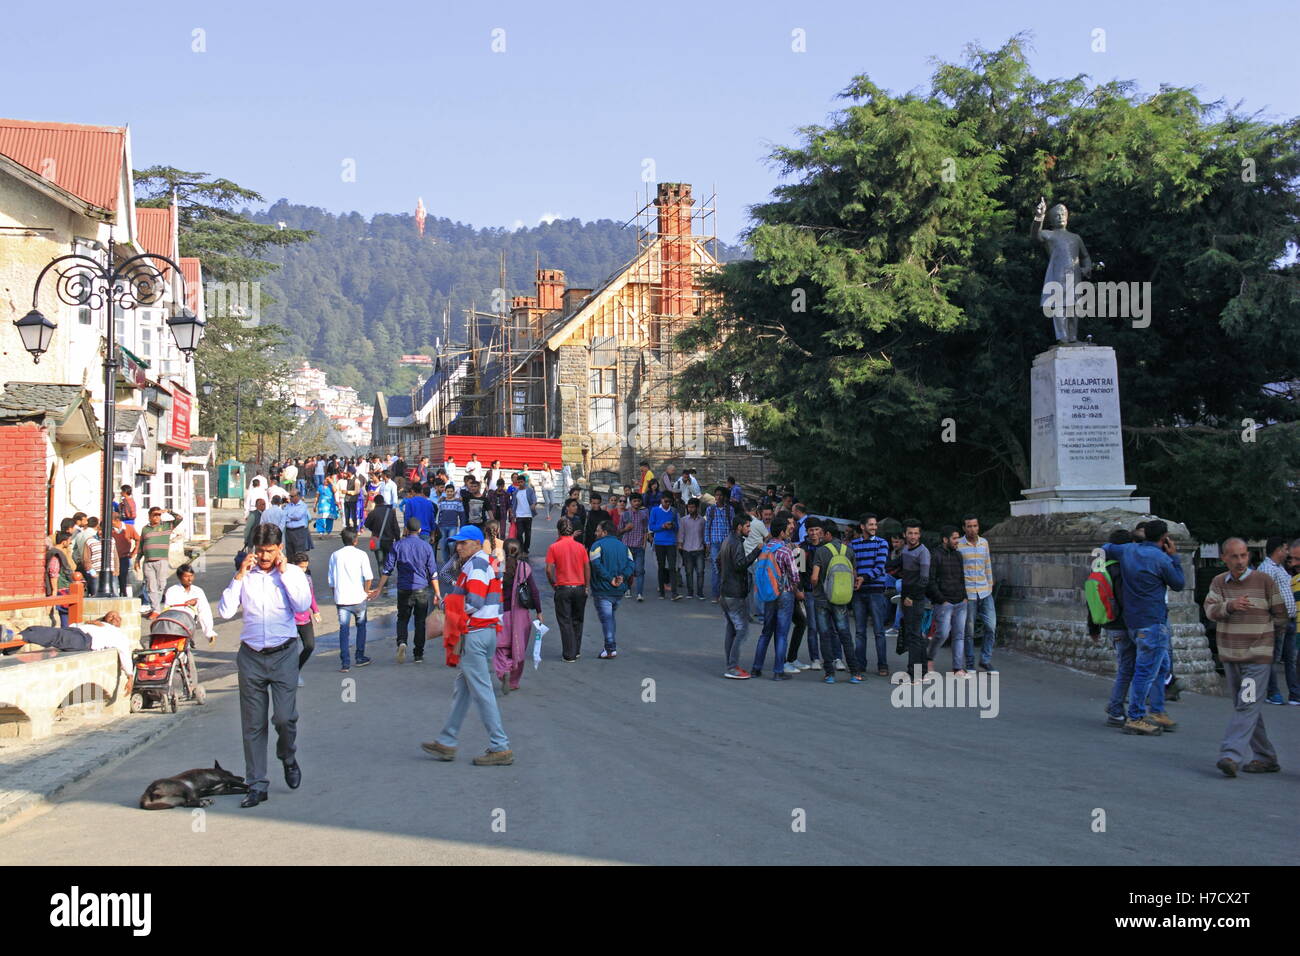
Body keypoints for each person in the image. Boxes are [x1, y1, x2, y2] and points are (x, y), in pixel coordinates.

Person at [216, 523, 313, 808]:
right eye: (260, 551)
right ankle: (257, 784)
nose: (264, 556)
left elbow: (303, 605)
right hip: (251, 656)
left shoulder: (292, 573)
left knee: (284, 718)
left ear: (280, 549)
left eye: (269, 551)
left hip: (283, 655)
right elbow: (225, 611)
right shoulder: (246, 575)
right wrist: (238, 575)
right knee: (253, 725)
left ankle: (288, 755)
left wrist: (284, 574)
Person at [422, 525, 513, 766]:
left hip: (476, 633)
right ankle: (446, 741)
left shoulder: (477, 565)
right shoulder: (485, 563)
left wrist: (446, 606)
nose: (458, 547)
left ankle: (500, 746)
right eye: (457, 543)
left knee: (482, 692)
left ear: (475, 543)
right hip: (483, 632)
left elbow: (474, 601)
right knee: (463, 691)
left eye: (463, 543)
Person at [1205, 537, 1289, 775]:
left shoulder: (1264, 580)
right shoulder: (1219, 582)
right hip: (1231, 655)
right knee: (1246, 707)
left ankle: (1230, 755)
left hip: (1257, 657)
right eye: (1234, 556)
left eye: (1243, 555)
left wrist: (1267, 639)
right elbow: (1210, 610)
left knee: (1247, 705)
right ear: (1224, 558)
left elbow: (1281, 614)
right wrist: (1229, 606)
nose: (1240, 561)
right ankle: (1265, 756)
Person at [1101, 519, 1184, 736]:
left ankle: (1156, 710)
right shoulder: (1161, 559)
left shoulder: (1128, 551)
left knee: (1159, 666)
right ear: (1164, 538)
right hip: (1153, 620)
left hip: (1132, 620)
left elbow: (1105, 548)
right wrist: (1174, 556)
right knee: (1147, 670)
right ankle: (1136, 716)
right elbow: (1178, 583)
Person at [371, 517, 441, 664]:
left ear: (406, 530)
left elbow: (387, 569)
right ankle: (418, 654)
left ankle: (402, 642)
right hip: (421, 588)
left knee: (402, 618)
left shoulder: (398, 545)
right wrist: (437, 593)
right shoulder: (426, 546)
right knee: (420, 621)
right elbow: (433, 572)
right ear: (420, 530)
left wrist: (379, 587)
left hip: (403, 589)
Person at [810, 522, 862, 683]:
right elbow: (854, 575)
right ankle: (855, 673)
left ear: (827, 535)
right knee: (845, 634)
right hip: (841, 599)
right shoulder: (849, 551)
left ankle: (829, 674)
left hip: (822, 599)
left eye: (822, 533)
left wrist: (815, 588)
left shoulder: (821, 551)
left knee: (825, 635)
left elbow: (814, 577)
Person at [751, 515, 800, 680]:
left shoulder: (765, 549)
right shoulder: (785, 550)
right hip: (785, 594)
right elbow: (795, 576)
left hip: (768, 593)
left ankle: (756, 668)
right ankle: (778, 671)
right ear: (781, 531)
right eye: (787, 529)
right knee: (781, 634)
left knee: (766, 632)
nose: (789, 531)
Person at [496, 537, 542, 693]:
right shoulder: (524, 568)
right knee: (518, 648)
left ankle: (503, 671)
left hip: (503, 613)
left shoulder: (499, 567)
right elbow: (534, 591)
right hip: (521, 615)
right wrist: (539, 612)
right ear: (520, 552)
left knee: (501, 647)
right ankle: (514, 681)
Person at [719, 513, 762, 679]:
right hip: (734, 593)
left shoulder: (727, 540)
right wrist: (756, 552)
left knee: (731, 629)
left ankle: (731, 663)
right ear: (739, 527)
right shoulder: (736, 543)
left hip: (726, 591)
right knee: (742, 629)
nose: (749, 530)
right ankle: (732, 667)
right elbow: (739, 565)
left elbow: (718, 561)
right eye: (747, 526)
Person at [329, 527, 375, 674]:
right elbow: (368, 577)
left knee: (344, 630)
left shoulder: (335, 555)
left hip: (342, 598)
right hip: (358, 598)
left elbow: (331, 581)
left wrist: (335, 595)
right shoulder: (361, 555)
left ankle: (345, 663)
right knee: (361, 626)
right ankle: (360, 656)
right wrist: (366, 591)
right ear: (355, 540)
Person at [890, 519, 931, 683]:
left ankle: (914, 674)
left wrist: (910, 597)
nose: (913, 536)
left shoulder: (923, 552)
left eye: (916, 533)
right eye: (910, 533)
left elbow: (924, 580)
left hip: (915, 599)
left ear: (919, 534)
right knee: (916, 635)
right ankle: (923, 672)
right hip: (907, 597)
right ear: (905, 535)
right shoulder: (906, 549)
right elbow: (895, 564)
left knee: (913, 636)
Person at [850, 514, 891, 676]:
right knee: (860, 631)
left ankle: (883, 664)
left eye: (875, 525)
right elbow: (852, 565)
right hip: (858, 592)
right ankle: (860, 664)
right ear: (862, 526)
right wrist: (855, 578)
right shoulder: (854, 545)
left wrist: (863, 578)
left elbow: (880, 566)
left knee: (879, 631)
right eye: (871, 524)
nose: (874, 527)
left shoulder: (882, 543)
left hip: (876, 591)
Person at [1259, 535, 1298, 705]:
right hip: (1277, 620)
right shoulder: (1267, 569)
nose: (1287, 552)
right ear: (1277, 550)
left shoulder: (1280, 569)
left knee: (1290, 659)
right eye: (1285, 548)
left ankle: (1295, 694)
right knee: (1273, 658)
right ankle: (1273, 692)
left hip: (1290, 619)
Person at [926, 525, 969, 678]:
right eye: (955, 538)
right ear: (945, 539)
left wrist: (964, 596)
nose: (958, 541)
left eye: (958, 537)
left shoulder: (958, 555)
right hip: (944, 602)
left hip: (961, 602)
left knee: (959, 635)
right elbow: (930, 580)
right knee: (942, 634)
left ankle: (957, 668)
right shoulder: (935, 555)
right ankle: (929, 658)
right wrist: (941, 599)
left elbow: (962, 577)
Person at [957, 514, 998, 673]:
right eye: (969, 526)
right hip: (968, 593)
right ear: (964, 528)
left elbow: (987, 563)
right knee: (969, 630)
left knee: (991, 626)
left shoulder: (984, 543)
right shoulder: (959, 545)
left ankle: (985, 660)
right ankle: (969, 662)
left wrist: (990, 583)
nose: (972, 529)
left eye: (975, 526)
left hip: (985, 591)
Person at [546, 518, 590, 662]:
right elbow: (586, 568)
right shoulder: (581, 547)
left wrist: (554, 583)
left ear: (558, 531)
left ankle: (569, 653)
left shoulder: (554, 547)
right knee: (578, 619)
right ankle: (576, 650)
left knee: (565, 621)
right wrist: (587, 586)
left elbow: (549, 569)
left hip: (563, 587)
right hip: (579, 586)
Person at [589, 520, 635, 659]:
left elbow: (595, 564)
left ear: (604, 532)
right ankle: (609, 646)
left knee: (607, 619)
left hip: (603, 589)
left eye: (597, 530)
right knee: (610, 618)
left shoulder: (596, 546)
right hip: (619, 590)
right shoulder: (624, 547)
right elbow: (631, 565)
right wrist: (622, 577)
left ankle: (610, 648)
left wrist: (610, 579)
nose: (595, 533)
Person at [136, 507, 183, 612]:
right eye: (154, 515)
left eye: (158, 515)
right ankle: (155, 610)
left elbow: (179, 518)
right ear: (149, 516)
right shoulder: (145, 529)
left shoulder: (166, 526)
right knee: (150, 586)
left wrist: (169, 511)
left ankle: (155, 608)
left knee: (161, 584)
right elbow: (141, 545)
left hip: (161, 560)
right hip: (148, 562)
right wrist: (137, 559)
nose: (157, 517)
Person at [163, 563, 218, 644]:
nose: (189, 579)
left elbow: (205, 611)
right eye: (186, 576)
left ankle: (209, 631)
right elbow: (169, 609)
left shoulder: (198, 591)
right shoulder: (172, 591)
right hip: (174, 625)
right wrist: (186, 604)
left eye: (191, 576)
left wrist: (208, 632)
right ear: (179, 577)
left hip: (189, 625)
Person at [289, 552, 322, 682]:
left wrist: (316, 611)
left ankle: (295, 670)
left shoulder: (307, 578)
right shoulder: (286, 578)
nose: (303, 570)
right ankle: (289, 675)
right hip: (290, 618)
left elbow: (311, 595)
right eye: (301, 567)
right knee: (290, 650)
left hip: (304, 618)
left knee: (309, 646)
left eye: (305, 567)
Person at [649, 490, 681, 600]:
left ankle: (674, 593)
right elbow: (652, 527)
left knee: (672, 567)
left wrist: (672, 525)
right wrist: (662, 526)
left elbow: (678, 527)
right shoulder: (655, 510)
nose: (667, 504)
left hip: (671, 542)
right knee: (661, 567)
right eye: (665, 501)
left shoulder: (674, 511)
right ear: (661, 500)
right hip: (659, 542)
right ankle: (662, 592)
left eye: (669, 502)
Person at [618, 492, 650, 602]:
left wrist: (644, 543)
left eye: (638, 501)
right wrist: (626, 529)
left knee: (640, 570)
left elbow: (646, 529)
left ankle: (640, 593)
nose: (636, 503)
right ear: (630, 502)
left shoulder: (644, 514)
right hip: (627, 546)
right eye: (634, 501)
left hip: (639, 546)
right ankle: (627, 588)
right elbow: (619, 531)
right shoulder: (625, 515)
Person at [704, 490, 733, 602]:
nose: (719, 497)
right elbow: (707, 526)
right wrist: (707, 542)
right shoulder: (710, 509)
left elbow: (732, 526)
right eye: (717, 495)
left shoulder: (729, 509)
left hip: (726, 542)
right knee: (716, 569)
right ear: (715, 497)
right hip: (714, 542)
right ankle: (715, 595)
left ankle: (724, 594)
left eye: (721, 495)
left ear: (724, 497)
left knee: (726, 569)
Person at [365, 492, 400, 582]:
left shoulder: (373, 513)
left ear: (375, 502)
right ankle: (387, 577)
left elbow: (366, 524)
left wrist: (373, 529)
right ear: (383, 501)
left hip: (377, 540)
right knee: (388, 561)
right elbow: (395, 527)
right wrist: (398, 539)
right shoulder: (391, 512)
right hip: (389, 540)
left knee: (380, 562)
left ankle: (383, 582)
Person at [45, 531, 75, 628]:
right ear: (64, 542)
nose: (70, 543)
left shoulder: (60, 553)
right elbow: (53, 573)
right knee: (65, 615)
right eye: (69, 540)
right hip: (61, 588)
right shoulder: (56, 555)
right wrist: (54, 591)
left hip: (63, 587)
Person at [678, 498, 706, 600]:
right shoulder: (683, 520)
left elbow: (704, 535)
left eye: (693, 507)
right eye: (689, 507)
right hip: (687, 549)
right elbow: (681, 533)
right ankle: (690, 592)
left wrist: (706, 547)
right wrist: (680, 545)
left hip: (699, 549)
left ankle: (700, 592)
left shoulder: (702, 521)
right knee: (688, 572)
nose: (690, 509)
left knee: (700, 572)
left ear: (697, 508)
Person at [436, 483, 465, 562]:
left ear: (454, 492)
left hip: (453, 526)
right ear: (445, 492)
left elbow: (462, 516)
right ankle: (446, 564)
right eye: (448, 491)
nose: (449, 493)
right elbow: (437, 514)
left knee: (451, 544)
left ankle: (453, 559)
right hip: (442, 526)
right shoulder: (441, 502)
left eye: (451, 491)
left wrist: (462, 527)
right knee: (443, 546)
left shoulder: (458, 503)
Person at [111, 514, 138, 598]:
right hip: (112, 558)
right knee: (114, 578)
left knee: (125, 578)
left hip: (124, 557)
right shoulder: (110, 530)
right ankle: (115, 595)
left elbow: (138, 539)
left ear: (116, 520)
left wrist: (134, 552)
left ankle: (124, 594)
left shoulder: (128, 528)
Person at [510, 473, 538, 553]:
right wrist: (513, 513)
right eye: (518, 482)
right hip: (519, 515)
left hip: (528, 515)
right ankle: (521, 549)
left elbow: (534, 499)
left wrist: (533, 504)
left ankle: (526, 549)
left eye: (521, 482)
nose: (520, 484)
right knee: (519, 534)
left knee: (528, 534)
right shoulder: (516, 492)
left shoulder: (530, 490)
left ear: (524, 482)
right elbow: (514, 503)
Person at [282, 489, 313, 557]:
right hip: (289, 531)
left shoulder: (303, 505)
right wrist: (291, 516)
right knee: (290, 552)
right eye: (290, 496)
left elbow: (298, 516)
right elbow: (283, 515)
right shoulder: (288, 506)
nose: (290, 498)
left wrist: (289, 515)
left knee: (299, 553)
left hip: (299, 531)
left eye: (292, 496)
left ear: (298, 496)